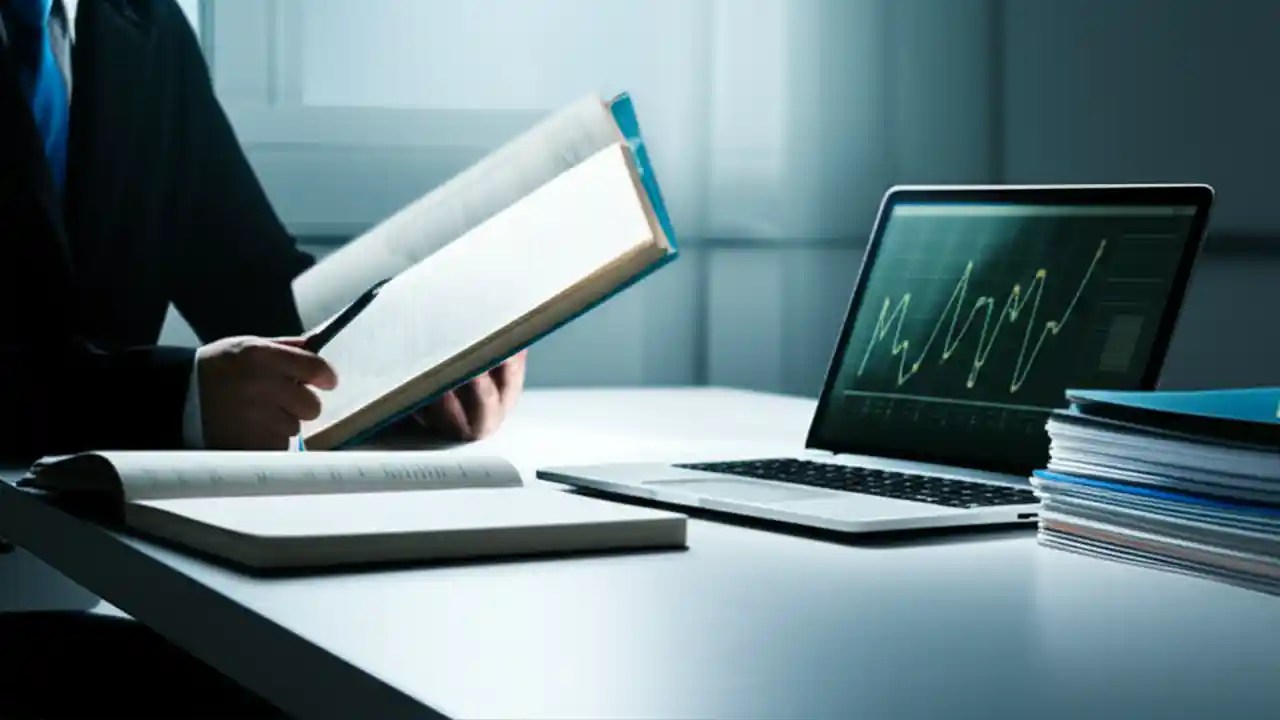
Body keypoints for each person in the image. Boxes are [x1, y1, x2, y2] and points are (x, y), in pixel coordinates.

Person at [0, 0, 526, 715]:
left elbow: (250, 278)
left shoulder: (140, 25)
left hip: (75, 574)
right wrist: (178, 399)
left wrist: (414, 362)